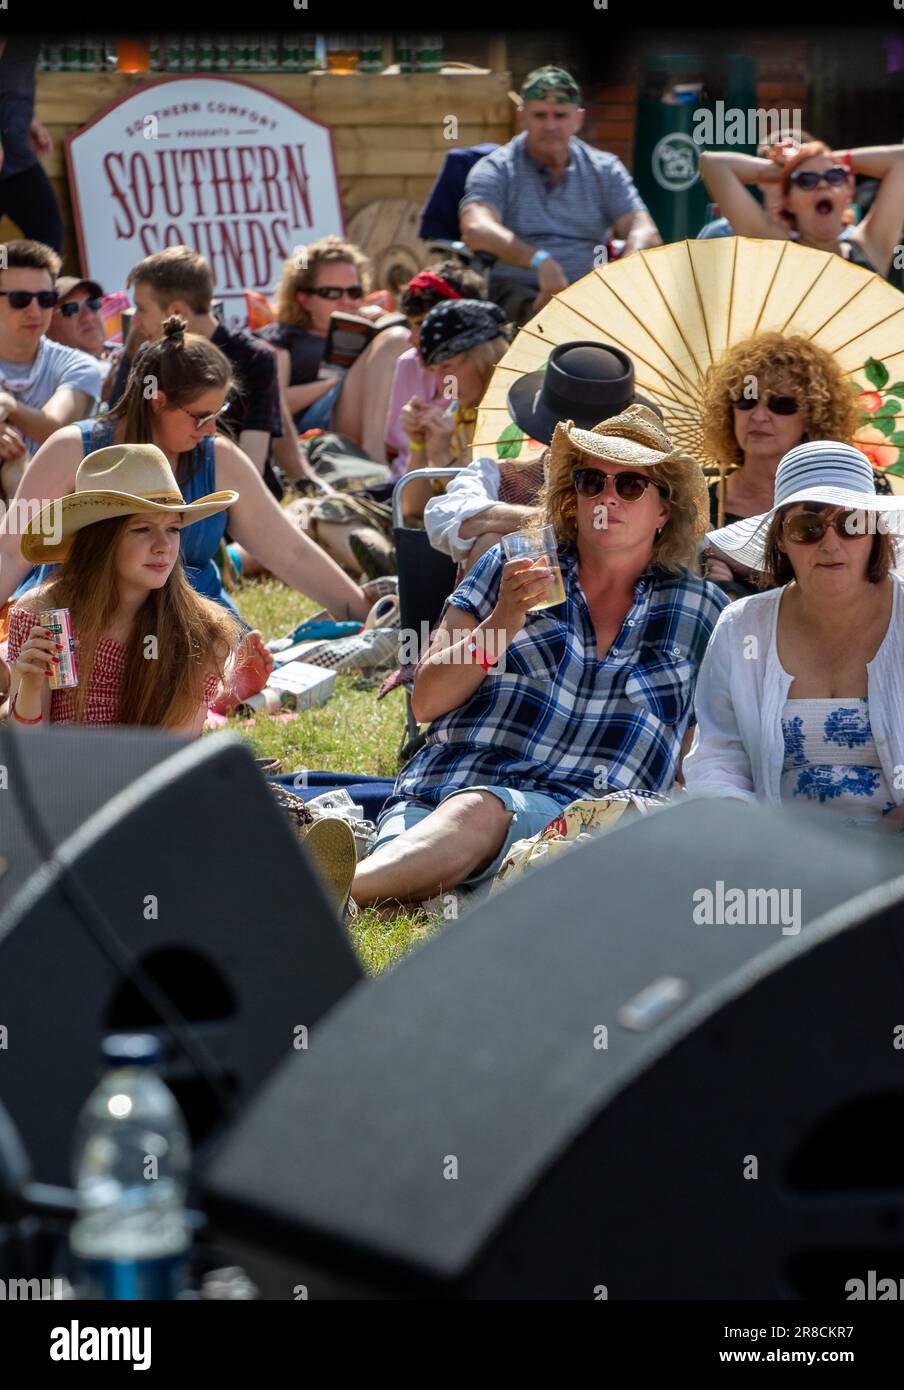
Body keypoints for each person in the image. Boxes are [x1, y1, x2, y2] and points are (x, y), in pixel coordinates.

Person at [350, 404, 729, 908]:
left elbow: (702, 756)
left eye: (630, 486)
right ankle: (381, 889)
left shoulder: (702, 612)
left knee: (475, 817)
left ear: (665, 509)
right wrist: (503, 621)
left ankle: (327, 895)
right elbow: (426, 701)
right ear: (573, 496)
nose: (607, 498)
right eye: (592, 481)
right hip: (441, 789)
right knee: (412, 872)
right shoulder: (516, 561)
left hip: (579, 825)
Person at [0, 316, 372, 624]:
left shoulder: (218, 457)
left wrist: (364, 614)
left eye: (219, 415)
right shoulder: (71, 449)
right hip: (86, 621)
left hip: (193, 629)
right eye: (202, 416)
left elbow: (290, 553)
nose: (211, 429)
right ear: (157, 401)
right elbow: (14, 553)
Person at [684, 441, 904, 831]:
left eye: (852, 522)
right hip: (779, 861)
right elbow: (718, 758)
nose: (831, 543)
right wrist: (753, 840)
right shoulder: (741, 626)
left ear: (875, 530)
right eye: (808, 527)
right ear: (781, 539)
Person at [4, 443, 244, 733]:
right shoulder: (43, 613)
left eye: (173, 528)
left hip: (150, 776)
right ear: (101, 541)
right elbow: (26, 754)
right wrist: (29, 688)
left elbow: (177, 761)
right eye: (142, 529)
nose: (163, 547)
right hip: (54, 774)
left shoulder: (203, 632)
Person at [425, 341, 661, 574]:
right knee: (493, 542)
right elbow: (442, 517)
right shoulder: (496, 475)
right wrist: (554, 522)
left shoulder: (645, 486)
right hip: (514, 609)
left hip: (612, 607)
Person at [459, 66, 661, 325]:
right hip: (518, 296)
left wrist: (623, 275)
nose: (550, 125)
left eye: (560, 115)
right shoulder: (497, 168)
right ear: (522, 117)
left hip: (590, 297)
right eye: (540, 115)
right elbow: (476, 228)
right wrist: (540, 261)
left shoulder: (604, 169)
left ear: (578, 119)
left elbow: (645, 230)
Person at [699, 331, 884, 599]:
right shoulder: (700, 507)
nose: (759, 416)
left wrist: (745, 569)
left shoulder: (854, 494)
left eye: (781, 404)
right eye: (746, 399)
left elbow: (872, 583)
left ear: (813, 417)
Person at [106, 246, 287, 488]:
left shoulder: (254, 359)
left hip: (231, 496)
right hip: (154, 493)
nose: (134, 320)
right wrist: (131, 358)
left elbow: (252, 461)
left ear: (176, 311)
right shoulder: (148, 355)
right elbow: (119, 437)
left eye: (141, 308)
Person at [258, 236, 410, 466]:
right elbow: (274, 402)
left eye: (354, 292)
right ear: (304, 299)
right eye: (332, 293)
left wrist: (379, 331)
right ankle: (375, 457)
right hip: (318, 423)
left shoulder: (377, 330)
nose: (346, 301)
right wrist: (334, 381)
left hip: (375, 413)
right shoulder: (284, 336)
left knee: (404, 339)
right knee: (394, 341)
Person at [698, 139, 904, 279]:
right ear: (788, 200)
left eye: (833, 176)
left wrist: (819, 159)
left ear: (849, 191)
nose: (823, 185)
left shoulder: (870, 248)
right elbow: (713, 164)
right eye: (807, 180)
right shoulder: (775, 251)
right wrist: (791, 167)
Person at [0, 239, 102, 501]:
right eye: (20, 299)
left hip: (51, 523)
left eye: (46, 299)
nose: (35, 310)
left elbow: (55, 427)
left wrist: (9, 405)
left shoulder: (80, 365)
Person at [399, 298, 511, 521]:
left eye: (447, 367)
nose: (443, 385)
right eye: (434, 371)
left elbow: (495, 503)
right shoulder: (458, 413)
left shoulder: (516, 412)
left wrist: (443, 458)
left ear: (484, 357)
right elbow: (414, 510)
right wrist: (418, 444)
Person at [385, 260, 487, 480]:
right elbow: (395, 448)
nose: (413, 338)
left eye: (423, 324)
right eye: (411, 325)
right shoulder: (409, 364)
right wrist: (417, 442)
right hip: (404, 484)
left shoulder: (481, 394)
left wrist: (440, 453)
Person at [0, 38, 64, 250]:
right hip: (7, 148)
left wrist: (27, 118)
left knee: (46, 235)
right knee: (47, 234)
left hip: (12, 138)